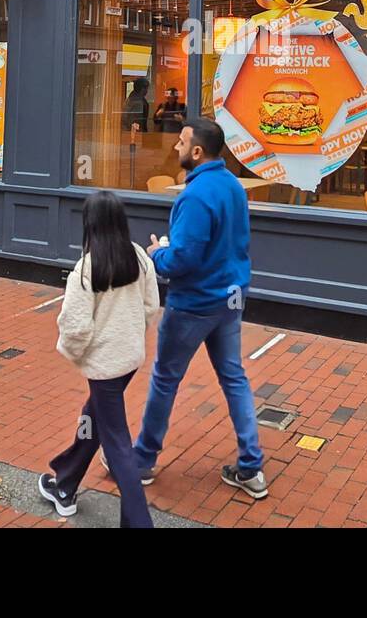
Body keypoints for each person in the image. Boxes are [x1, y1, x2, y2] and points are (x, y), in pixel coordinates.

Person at [130, 117, 267, 499]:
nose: (175, 147)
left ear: (197, 151)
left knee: (165, 378)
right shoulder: (232, 187)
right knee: (234, 378)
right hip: (230, 297)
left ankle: (141, 460)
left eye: (181, 142)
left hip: (194, 303)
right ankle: (251, 467)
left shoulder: (194, 195)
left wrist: (158, 253)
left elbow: (181, 262)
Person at [39, 191, 159, 527]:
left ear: (89, 224)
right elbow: (151, 307)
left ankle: (139, 522)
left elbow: (76, 327)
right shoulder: (138, 257)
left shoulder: (86, 267)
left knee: (118, 444)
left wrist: (74, 354)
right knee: (95, 417)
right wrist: (133, 335)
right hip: (129, 359)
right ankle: (65, 481)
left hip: (104, 365)